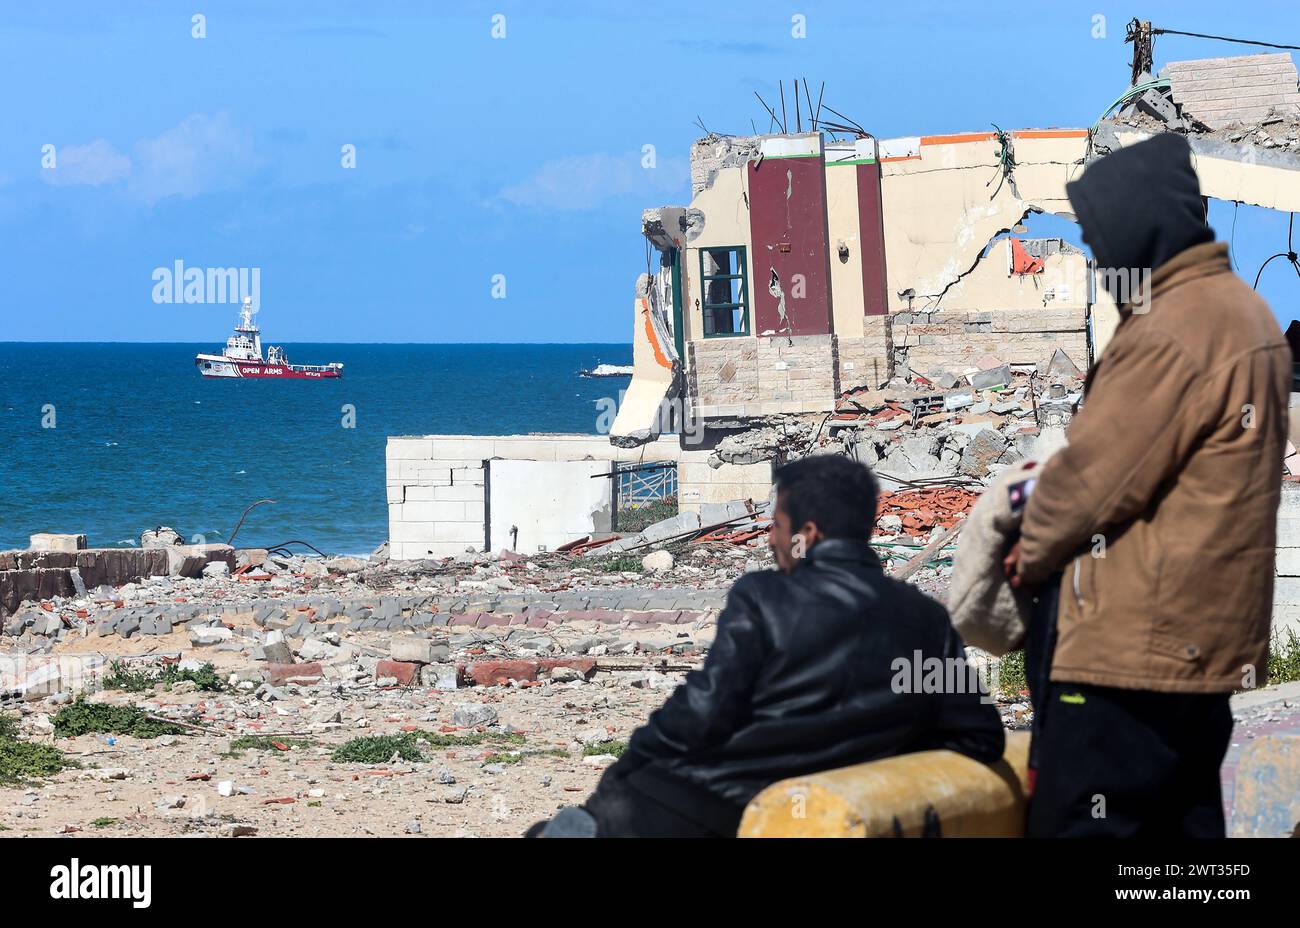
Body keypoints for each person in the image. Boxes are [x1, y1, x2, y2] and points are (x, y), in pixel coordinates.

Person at [1005, 133, 1291, 837]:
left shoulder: (1173, 328)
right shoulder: (1249, 317)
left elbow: (1091, 485)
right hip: (1203, 659)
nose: (1102, 261)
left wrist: (1025, 552)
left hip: (1125, 663)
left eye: (1104, 241)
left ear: (1139, 227)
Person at [528, 455, 1005, 837]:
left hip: (725, 799)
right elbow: (981, 735)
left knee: (602, 805)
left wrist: (635, 758)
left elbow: (699, 715)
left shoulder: (764, 597)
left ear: (808, 535)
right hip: (839, 796)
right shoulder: (928, 618)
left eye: (777, 525)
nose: (771, 538)